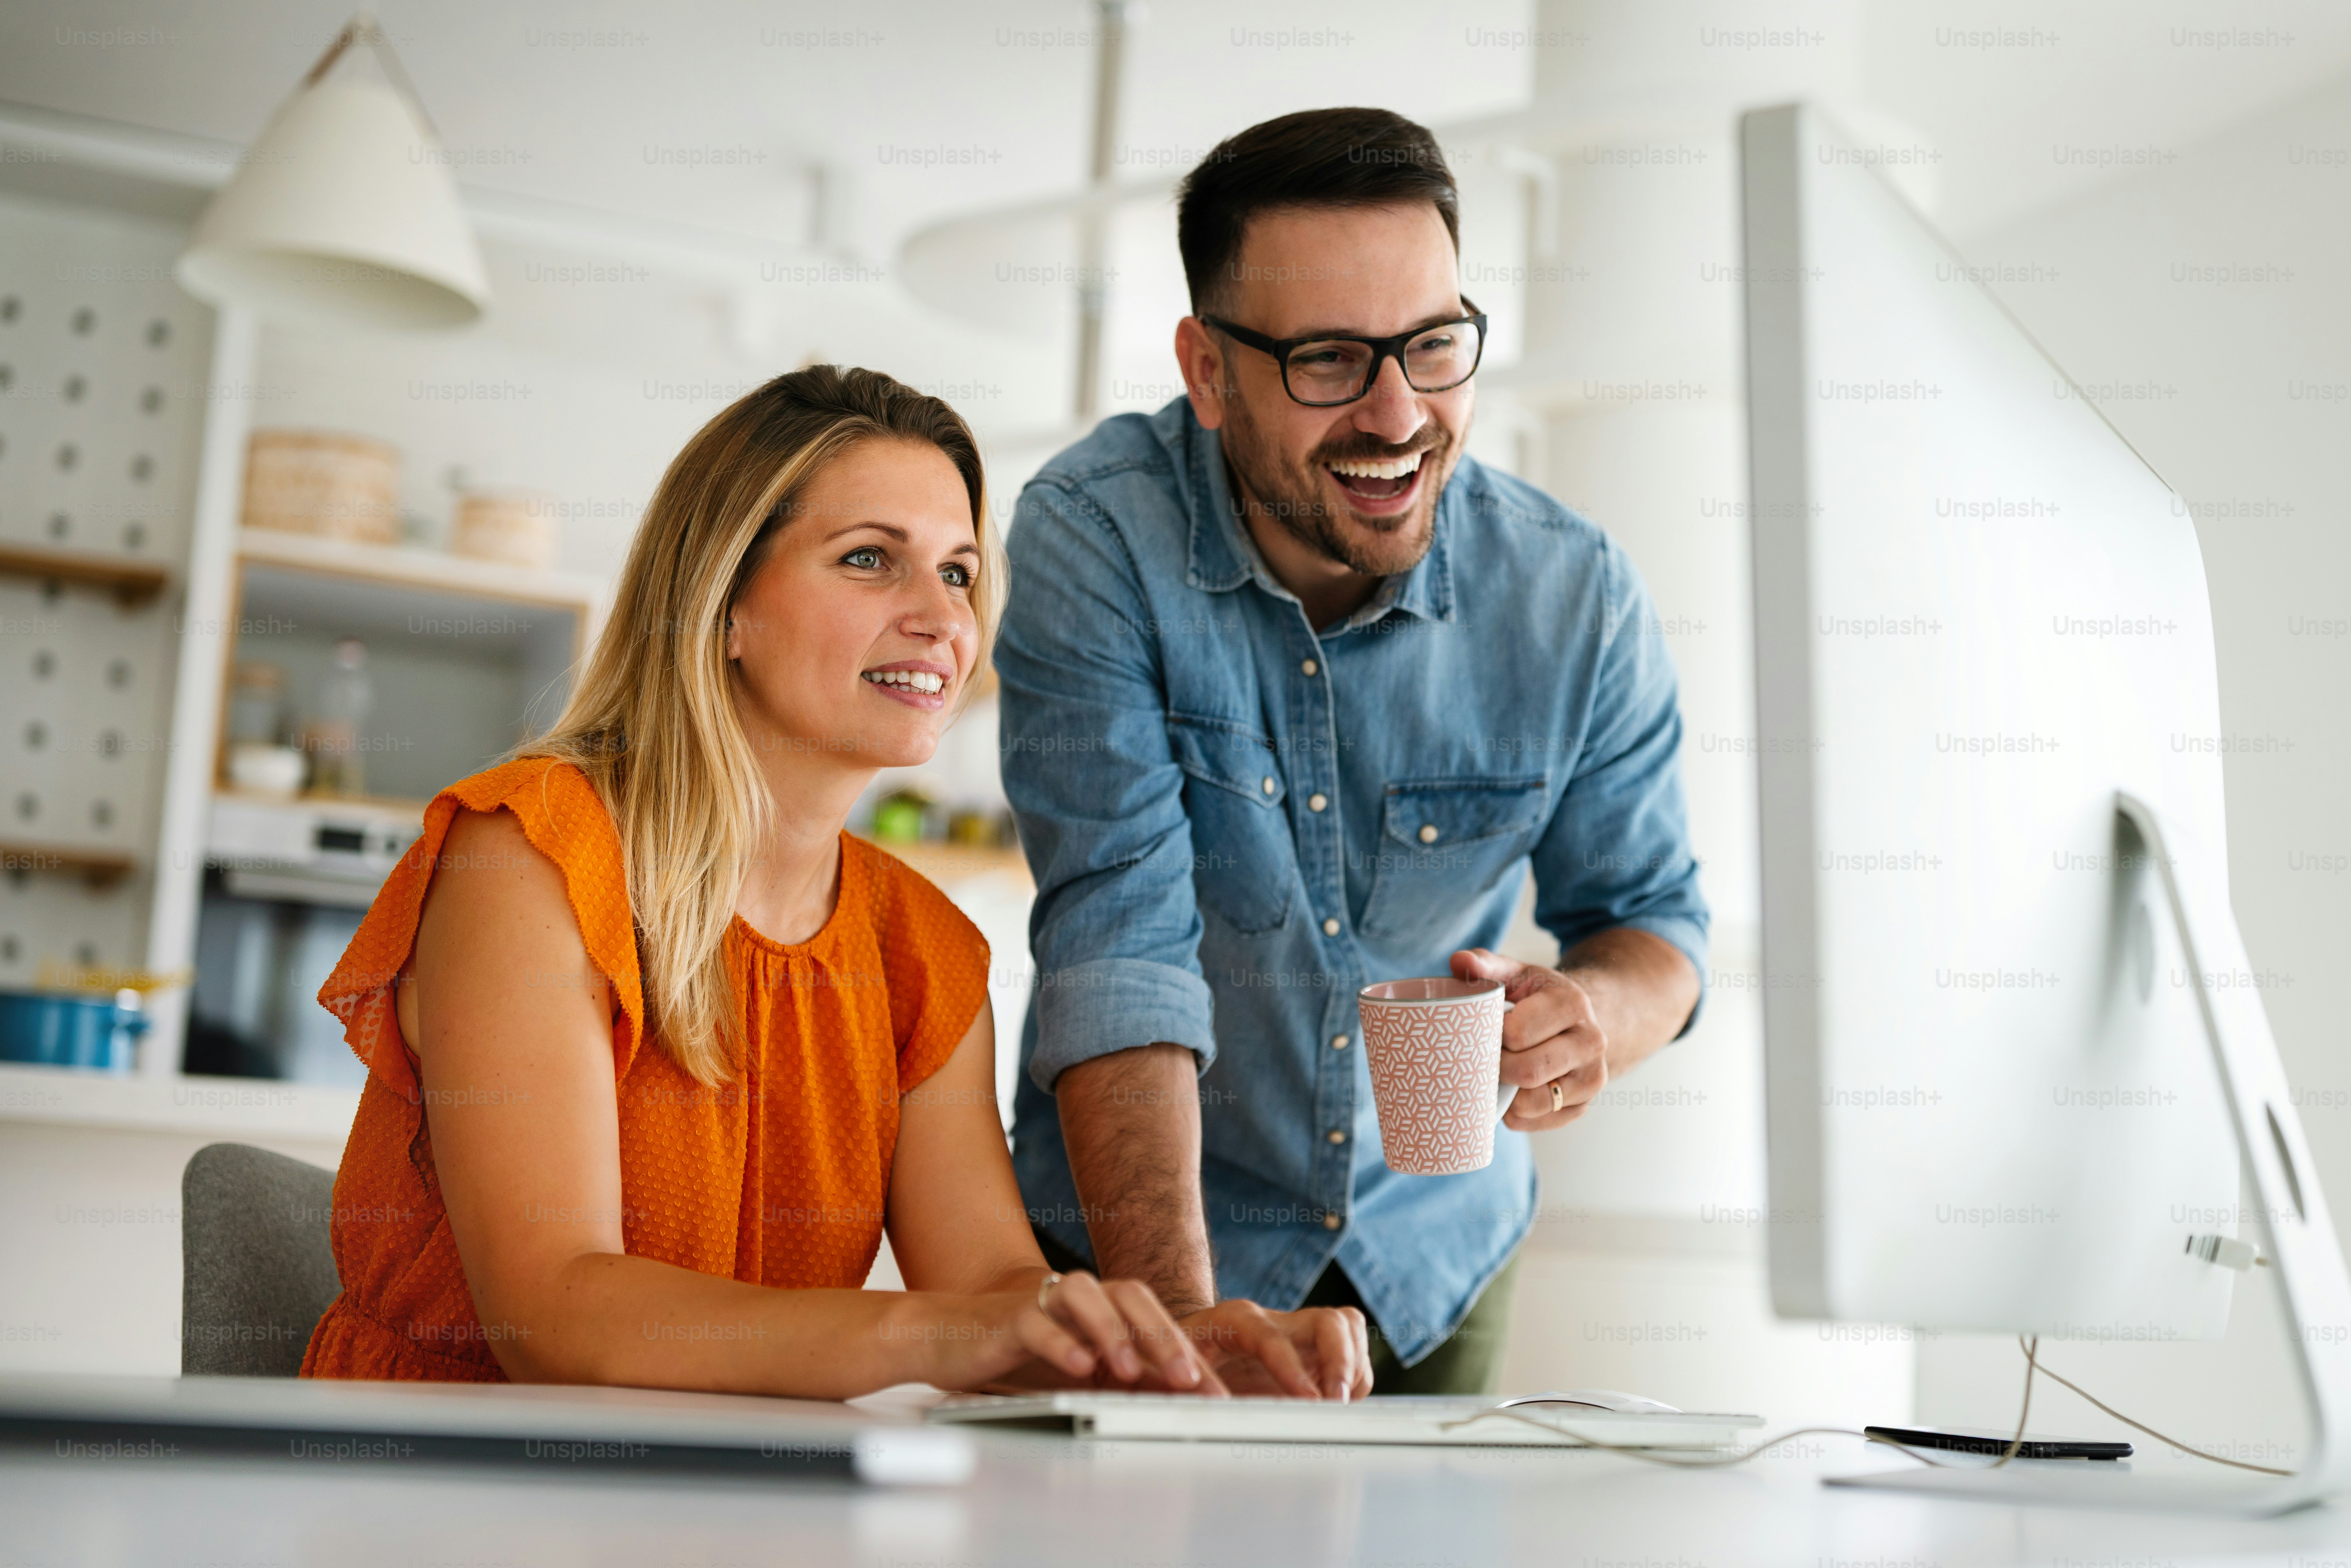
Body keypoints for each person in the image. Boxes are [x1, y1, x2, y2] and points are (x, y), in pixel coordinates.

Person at [299, 365, 1371, 1400]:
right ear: (723, 604)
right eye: (869, 559)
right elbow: (556, 1317)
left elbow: (992, 1292)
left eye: (957, 571)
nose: (943, 619)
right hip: (445, 1488)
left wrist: (1171, 1349)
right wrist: (930, 1333)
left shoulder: (921, 951)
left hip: (729, 1500)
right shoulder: (529, 856)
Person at [997, 108, 1709, 1394]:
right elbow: (1118, 943)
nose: (1398, 414)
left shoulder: (1572, 593)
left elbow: (1656, 923)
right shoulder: (1094, 538)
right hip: (1137, 1248)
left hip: (1430, 1261)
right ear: (1207, 372)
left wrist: (1588, 1015)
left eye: (1434, 346)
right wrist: (1179, 1328)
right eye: (1328, 359)